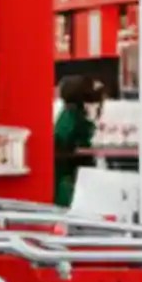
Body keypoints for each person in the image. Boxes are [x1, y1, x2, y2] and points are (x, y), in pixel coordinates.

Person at [53, 75, 103, 207]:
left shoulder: (66, 114)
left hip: (64, 178)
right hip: (71, 180)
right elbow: (88, 140)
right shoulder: (75, 118)